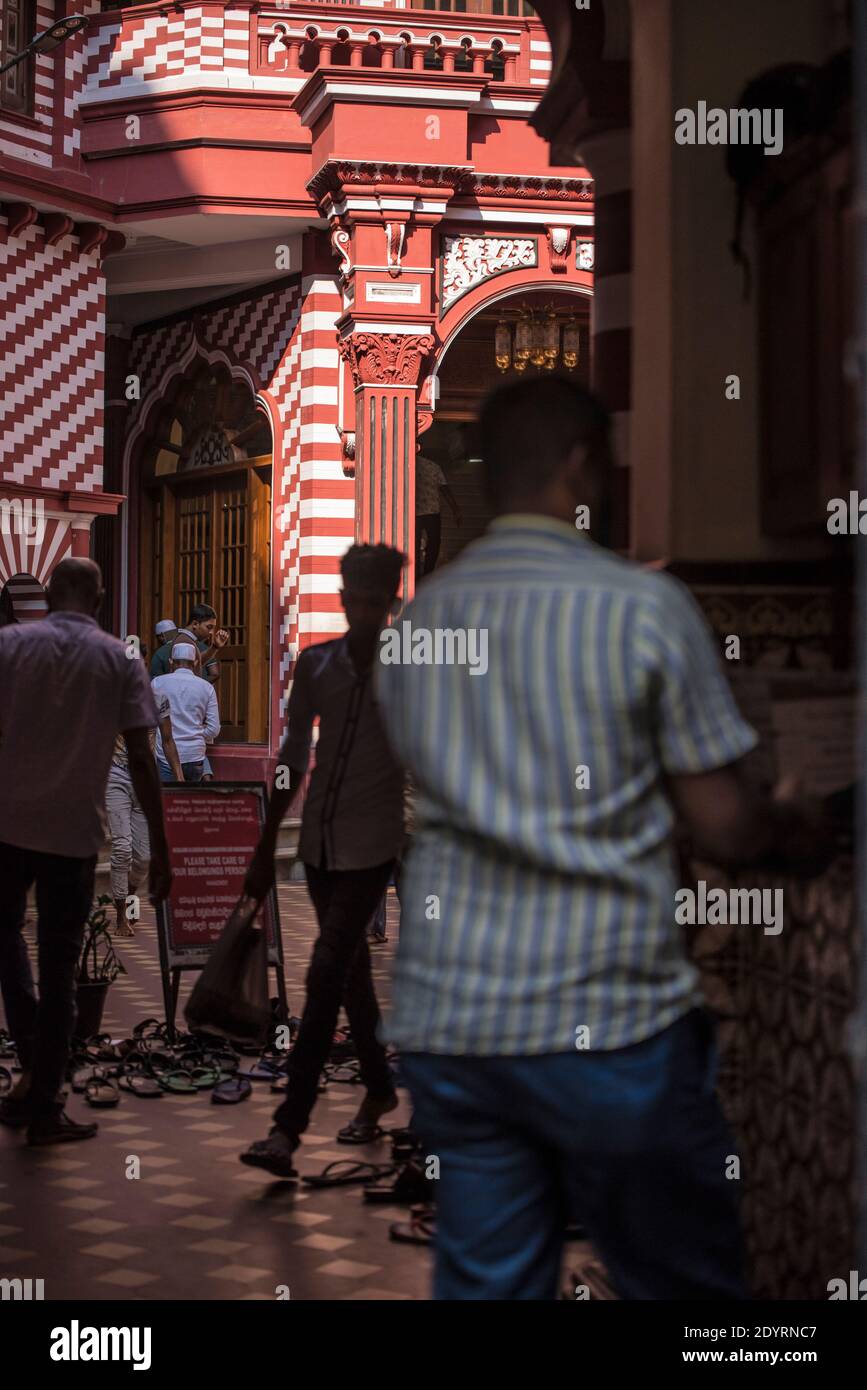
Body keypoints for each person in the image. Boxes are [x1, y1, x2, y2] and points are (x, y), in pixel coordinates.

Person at [375, 376, 832, 1300]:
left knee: (490, 1283)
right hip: (608, 1027)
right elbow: (726, 825)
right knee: (685, 1288)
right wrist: (796, 818)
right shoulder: (640, 609)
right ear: (582, 466)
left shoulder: (419, 627)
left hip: (454, 1026)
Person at [240, 544, 406, 1180]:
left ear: (389, 603)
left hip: (372, 850)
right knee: (352, 977)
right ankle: (380, 1089)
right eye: (351, 597)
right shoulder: (316, 665)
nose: (359, 608)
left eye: (372, 599)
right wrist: (265, 846)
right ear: (342, 598)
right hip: (317, 850)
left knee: (325, 970)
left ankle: (287, 1129)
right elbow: (291, 758)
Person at [0, 558, 171, 1145]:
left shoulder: (9, 646)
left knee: (7, 947)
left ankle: (31, 1069)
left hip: (7, 828)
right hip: (72, 836)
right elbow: (144, 759)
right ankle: (45, 1099)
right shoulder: (119, 659)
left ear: (48, 596)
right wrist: (164, 845)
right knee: (61, 969)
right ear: (98, 600)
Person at [107, 645, 183, 937]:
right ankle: (120, 916)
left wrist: (178, 778)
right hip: (115, 776)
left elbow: (167, 740)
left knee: (143, 858)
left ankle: (126, 896)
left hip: (145, 780)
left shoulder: (158, 700)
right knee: (122, 847)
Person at [151, 643, 220, 783]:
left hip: (165, 759)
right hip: (194, 756)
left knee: (167, 802)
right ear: (195, 663)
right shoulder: (207, 688)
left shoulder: (157, 683)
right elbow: (214, 730)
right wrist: (195, 734)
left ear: (171, 662)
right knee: (190, 802)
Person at [415, 443, 461, 577]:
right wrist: (456, 510)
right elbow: (445, 490)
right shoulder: (433, 466)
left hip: (414, 513)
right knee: (434, 542)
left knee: (414, 542)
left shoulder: (406, 465)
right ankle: (428, 572)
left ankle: (416, 572)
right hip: (432, 512)